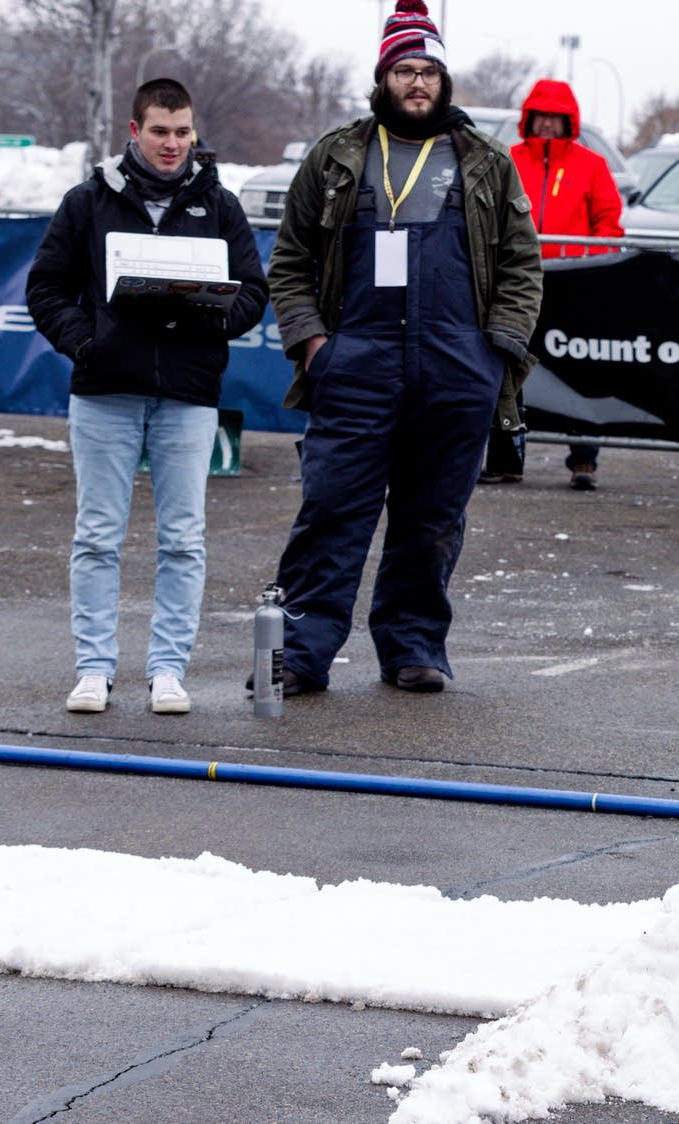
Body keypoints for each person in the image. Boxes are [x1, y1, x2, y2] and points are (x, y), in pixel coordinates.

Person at [263, 0, 543, 695]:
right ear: (382, 77)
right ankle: (298, 654)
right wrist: (313, 343)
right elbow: (291, 257)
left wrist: (495, 355)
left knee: (432, 520)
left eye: (428, 71)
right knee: (330, 512)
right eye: (404, 70)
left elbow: (522, 265)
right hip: (354, 362)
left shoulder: (484, 161)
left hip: (455, 366)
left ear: (444, 81)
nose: (417, 83)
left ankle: (414, 645)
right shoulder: (336, 155)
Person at [26, 78, 269, 716]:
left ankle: (167, 670)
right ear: (134, 132)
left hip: (187, 396)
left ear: (195, 134)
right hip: (105, 391)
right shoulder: (87, 201)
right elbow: (46, 288)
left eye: (183, 131)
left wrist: (210, 315)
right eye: (160, 130)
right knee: (98, 535)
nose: (172, 143)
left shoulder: (219, 204)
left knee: (183, 539)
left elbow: (251, 290)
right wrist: (87, 341)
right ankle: (93, 669)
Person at [506, 77, 625, 491]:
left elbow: (608, 222)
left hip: (574, 286)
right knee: (508, 370)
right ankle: (506, 455)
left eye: (555, 118)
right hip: (516, 286)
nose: (547, 125)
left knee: (579, 374)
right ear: (529, 118)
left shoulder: (591, 165)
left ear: (568, 121)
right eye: (540, 116)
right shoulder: (508, 161)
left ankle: (584, 460)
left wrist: (591, 264)